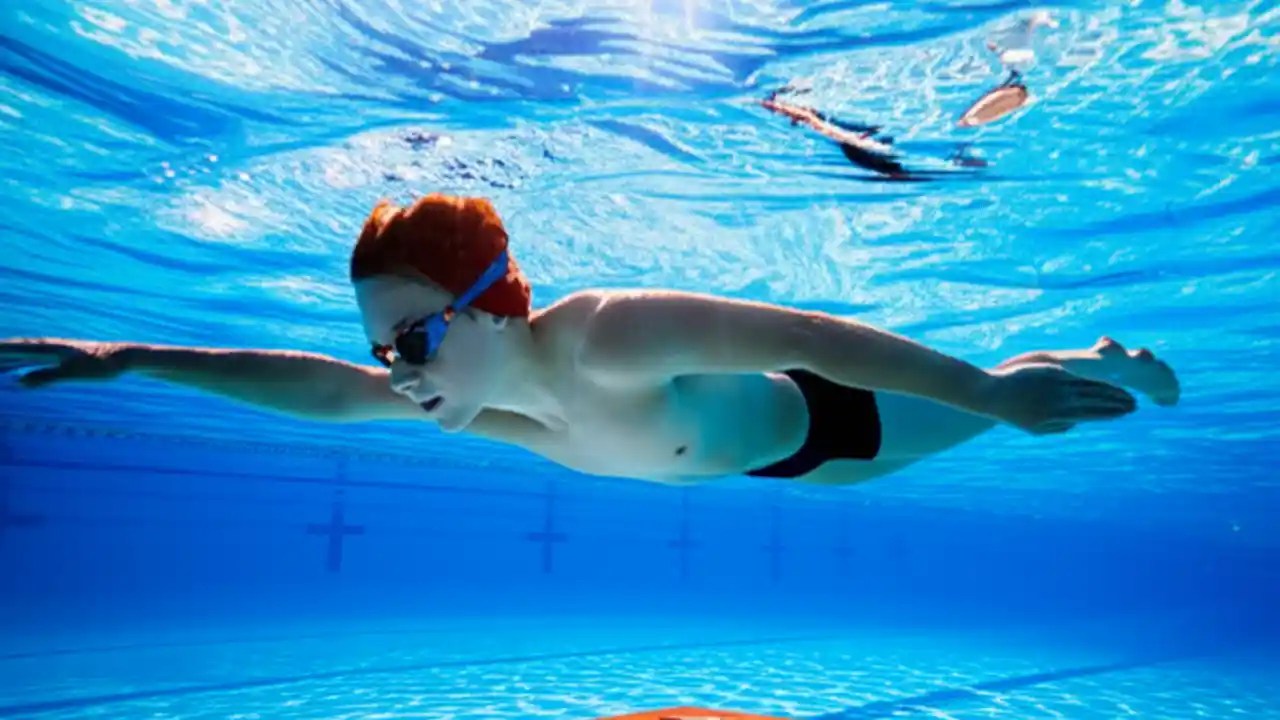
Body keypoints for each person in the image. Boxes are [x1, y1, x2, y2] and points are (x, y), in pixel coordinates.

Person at [0, 194, 1179, 486]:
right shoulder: (482, 398)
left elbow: (820, 333)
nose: (391, 370)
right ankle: (1045, 376)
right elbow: (314, 387)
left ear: (489, 304)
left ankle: (1082, 360)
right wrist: (138, 357)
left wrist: (983, 389)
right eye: (387, 350)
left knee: (1005, 413)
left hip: (837, 419)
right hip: (785, 472)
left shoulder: (603, 339)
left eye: (407, 338)